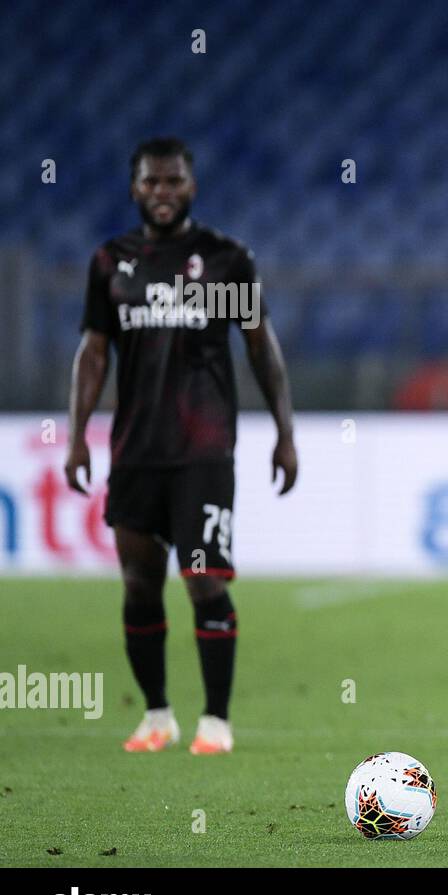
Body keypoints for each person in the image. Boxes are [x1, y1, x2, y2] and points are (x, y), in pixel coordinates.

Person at [65, 137, 298, 755]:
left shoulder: (224, 259)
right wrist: (77, 435)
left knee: (203, 580)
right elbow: (93, 352)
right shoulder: (111, 262)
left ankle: (216, 721)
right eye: (151, 182)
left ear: (192, 186)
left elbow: (259, 346)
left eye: (173, 182)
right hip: (135, 451)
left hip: (204, 450)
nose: (162, 193)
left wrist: (285, 431)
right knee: (139, 583)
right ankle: (157, 716)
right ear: (134, 187)